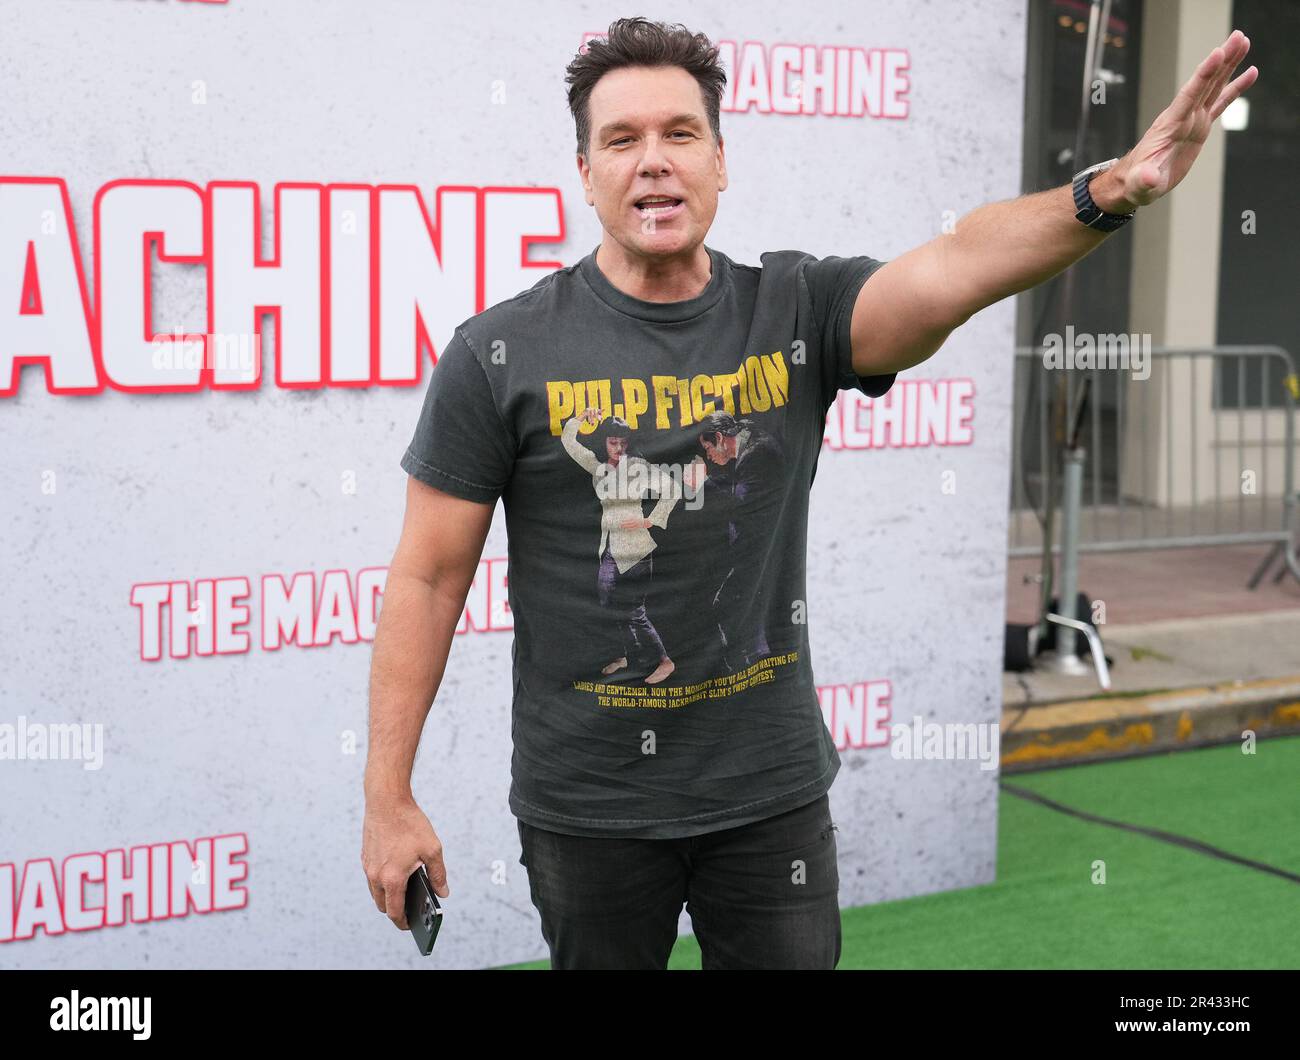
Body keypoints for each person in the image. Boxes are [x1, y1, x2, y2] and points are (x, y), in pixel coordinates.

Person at [362, 18, 1257, 969]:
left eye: (680, 134)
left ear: (720, 160)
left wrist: (1106, 192)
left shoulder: (796, 309)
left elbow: (954, 267)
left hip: (769, 795)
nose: (654, 161)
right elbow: (428, 579)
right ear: (585, 173)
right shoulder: (500, 353)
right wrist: (387, 794)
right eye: (621, 140)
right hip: (590, 806)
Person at [560, 405, 680, 684]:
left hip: (636, 549)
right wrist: (581, 418)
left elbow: (672, 488)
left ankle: (665, 661)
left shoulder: (637, 467)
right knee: (606, 602)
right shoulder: (598, 467)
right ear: (604, 441)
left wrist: (650, 520)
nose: (618, 448)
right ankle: (627, 654)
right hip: (609, 548)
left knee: (634, 612)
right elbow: (569, 442)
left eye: (623, 442)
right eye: (613, 442)